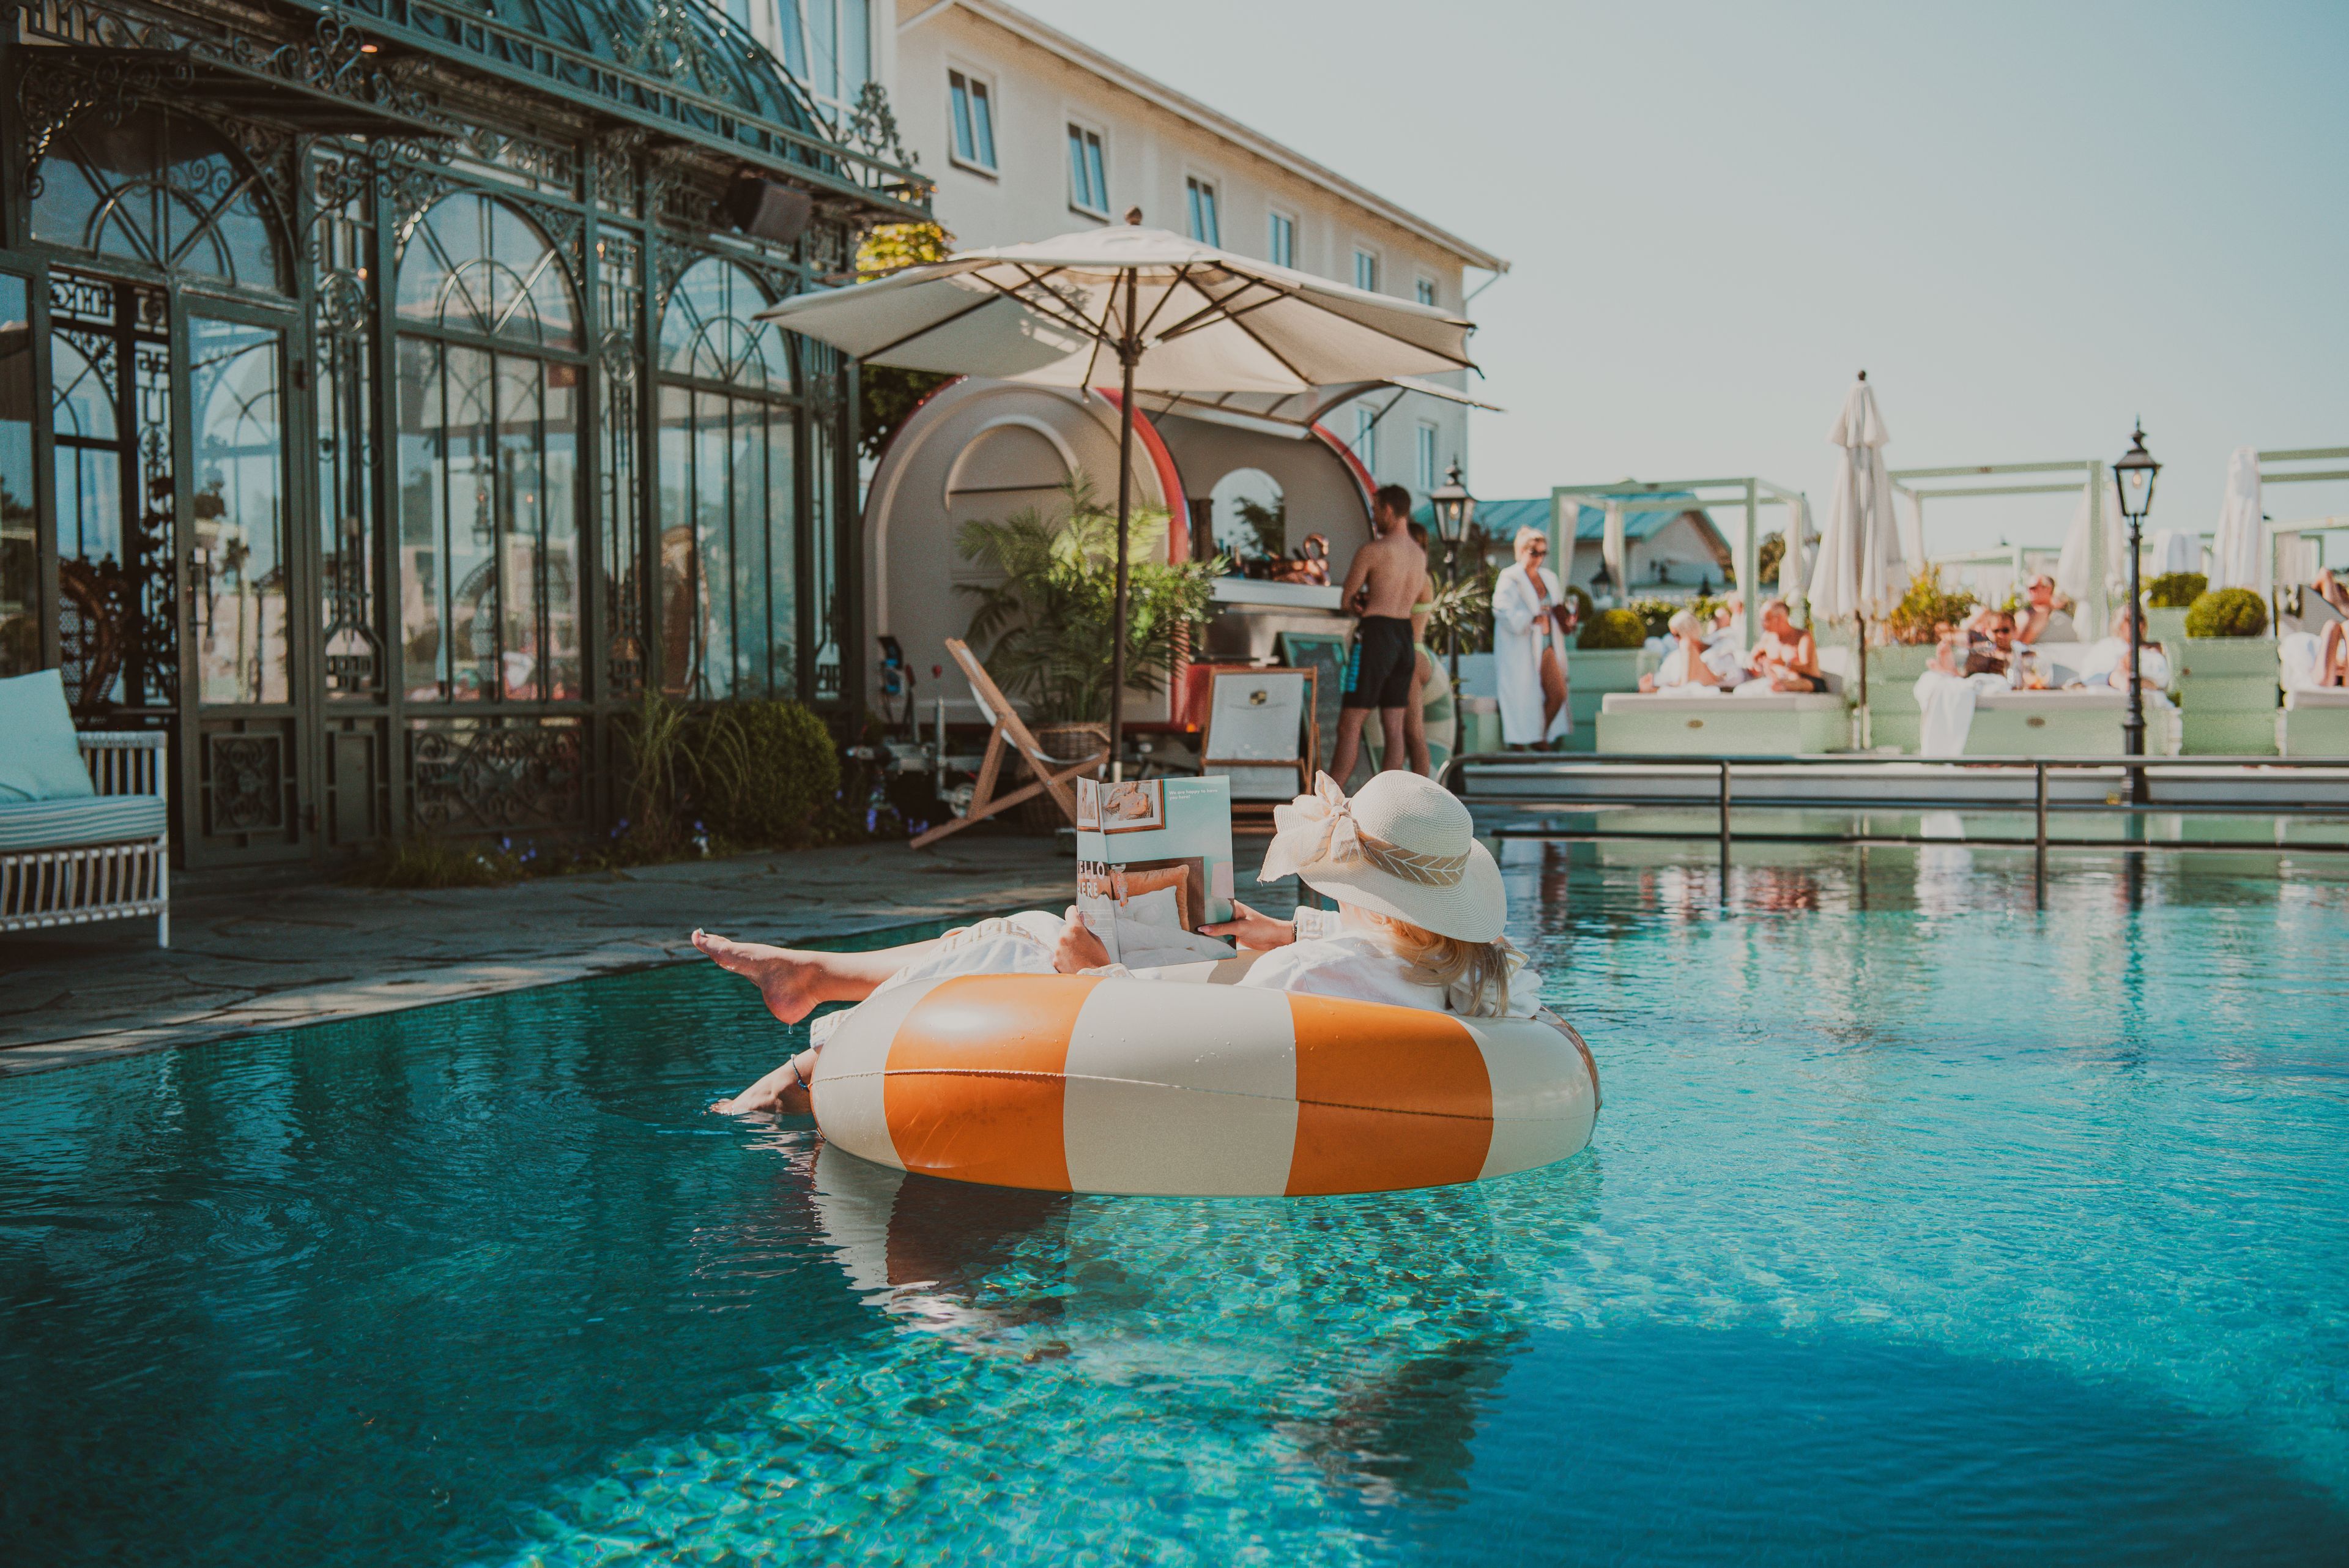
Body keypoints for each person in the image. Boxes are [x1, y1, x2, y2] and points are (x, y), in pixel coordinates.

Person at [696, 770, 1583, 1115]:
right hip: (1286, 1029)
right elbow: (1381, 963)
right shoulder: (1493, 975)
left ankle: (811, 1053)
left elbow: (1201, 1056)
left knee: (1027, 943)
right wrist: (1292, 929)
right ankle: (815, 978)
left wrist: (1102, 976)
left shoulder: (1311, 974)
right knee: (1031, 934)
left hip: (1159, 1069)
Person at [1328, 485, 1424, 783]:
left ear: (1389, 510)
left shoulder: (1374, 550)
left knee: (1350, 724)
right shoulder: (1419, 555)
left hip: (1377, 634)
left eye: (1375, 510)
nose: (1373, 517)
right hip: (1404, 635)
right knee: (1394, 726)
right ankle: (1389, 805)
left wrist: (1360, 605)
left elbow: (1346, 599)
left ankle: (1328, 801)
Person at [1492, 526, 1575, 747]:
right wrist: (1530, 618)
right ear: (1521, 550)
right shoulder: (1510, 577)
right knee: (1521, 698)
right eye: (1534, 552)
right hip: (1521, 647)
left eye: (1543, 553)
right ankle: (1525, 743)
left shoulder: (1549, 578)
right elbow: (1501, 610)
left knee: (1558, 693)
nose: (1539, 558)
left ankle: (1540, 736)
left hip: (1548, 645)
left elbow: (1557, 608)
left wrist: (1567, 620)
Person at [1638, 609, 1743, 693]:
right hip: (1695, 686)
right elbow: (1673, 679)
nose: (1675, 640)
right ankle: (1665, 689)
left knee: (1686, 644)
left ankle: (1678, 690)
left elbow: (1731, 676)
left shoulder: (1720, 645)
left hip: (1716, 685)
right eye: (1673, 635)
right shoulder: (1677, 656)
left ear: (1687, 630)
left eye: (1677, 635)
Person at [2081, 606, 2170, 693]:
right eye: (2130, 619)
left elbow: (2163, 679)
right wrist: (2118, 674)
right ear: (2119, 623)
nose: (2137, 624)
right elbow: (2089, 676)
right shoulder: (2106, 646)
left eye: (2140, 619)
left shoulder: (2152, 651)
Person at [1748, 598, 1825, 693]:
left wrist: (1784, 663)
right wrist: (1755, 665)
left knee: (1795, 683)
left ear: (1780, 618)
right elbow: (1753, 656)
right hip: (1777, 681)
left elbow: (1809, 669)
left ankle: (1780, 686)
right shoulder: (1768, 638)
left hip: (1807, 682)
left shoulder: (1803, 637)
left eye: (1766, 619)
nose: (1763, 624)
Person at [2016, 574, 2076, 646]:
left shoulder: (2038, 612)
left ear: (2048, 589)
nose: (2029, 591)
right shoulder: (2060, 613)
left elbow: (2020, 644)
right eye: (2028, 588)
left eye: (2033, 588)